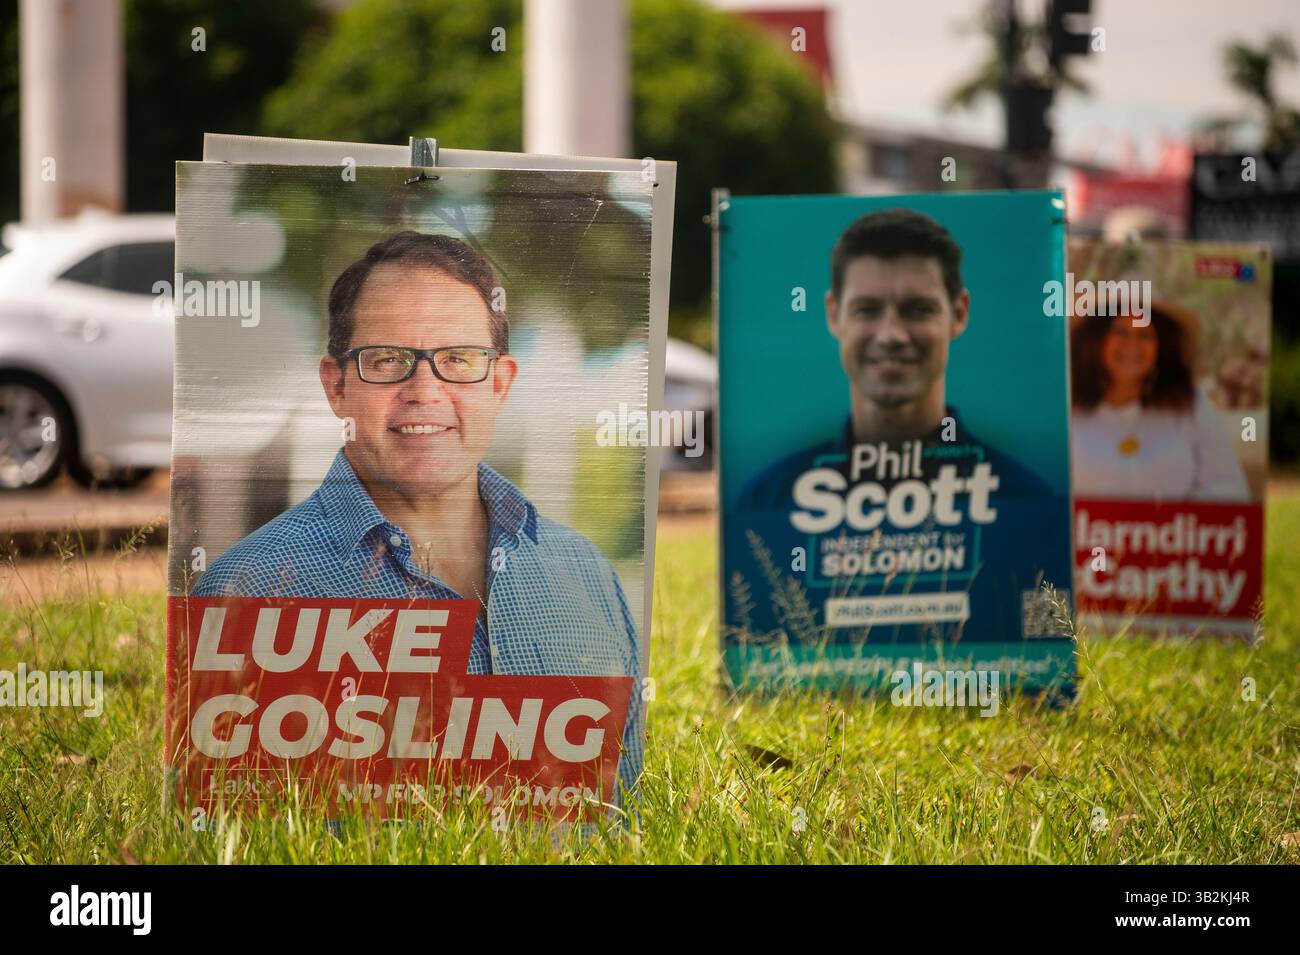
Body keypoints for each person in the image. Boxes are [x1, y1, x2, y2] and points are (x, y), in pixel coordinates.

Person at [192, 230, 642, 798]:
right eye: (387, 360)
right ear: (337, 387)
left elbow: (623, 824)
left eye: (459, 359)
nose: (424, 391)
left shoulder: (586, 575)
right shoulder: (247, 588)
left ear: (500, 384)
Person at [739, 208, 1049, 512]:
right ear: (833, 315)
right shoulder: (767, 502)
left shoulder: (1026, 503)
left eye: (917, 309)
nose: (891, 335)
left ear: (959, 314)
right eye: (867, 310)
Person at [1070, 301, 1250, 502]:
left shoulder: (1190, 404)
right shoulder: (1064, 406)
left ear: (1162, 346)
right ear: (1095, 339)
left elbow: (1227, 488)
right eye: (1120, 331)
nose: (1132, 344)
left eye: (1144, 335)